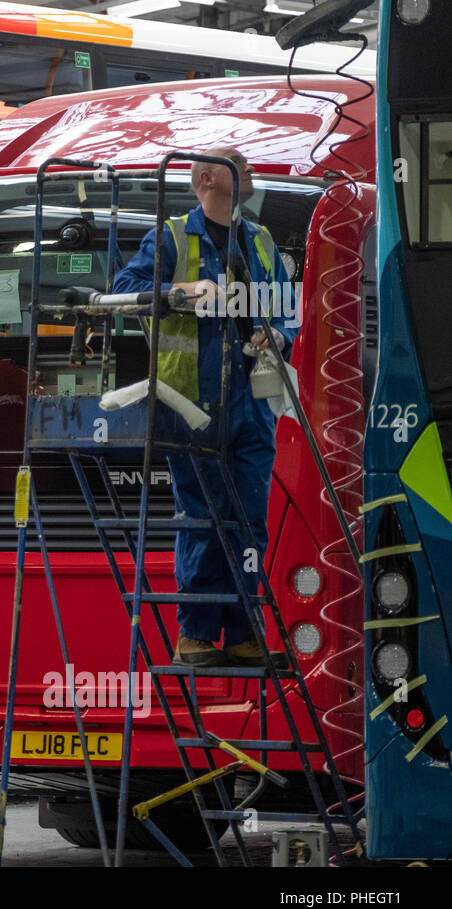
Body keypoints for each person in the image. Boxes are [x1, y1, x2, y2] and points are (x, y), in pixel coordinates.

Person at [111, 147, 296, 668]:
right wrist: (184, 290)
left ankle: (242, 632)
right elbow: (124, 290)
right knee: (204, 516)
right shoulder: (171, 237)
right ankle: (194, 634)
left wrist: (277, 334)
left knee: (249, 522)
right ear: (211, 178)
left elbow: (287, 307)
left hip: (252, 403)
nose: (255, 171)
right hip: (190, 402)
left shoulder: (258, 240)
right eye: (243, 164)